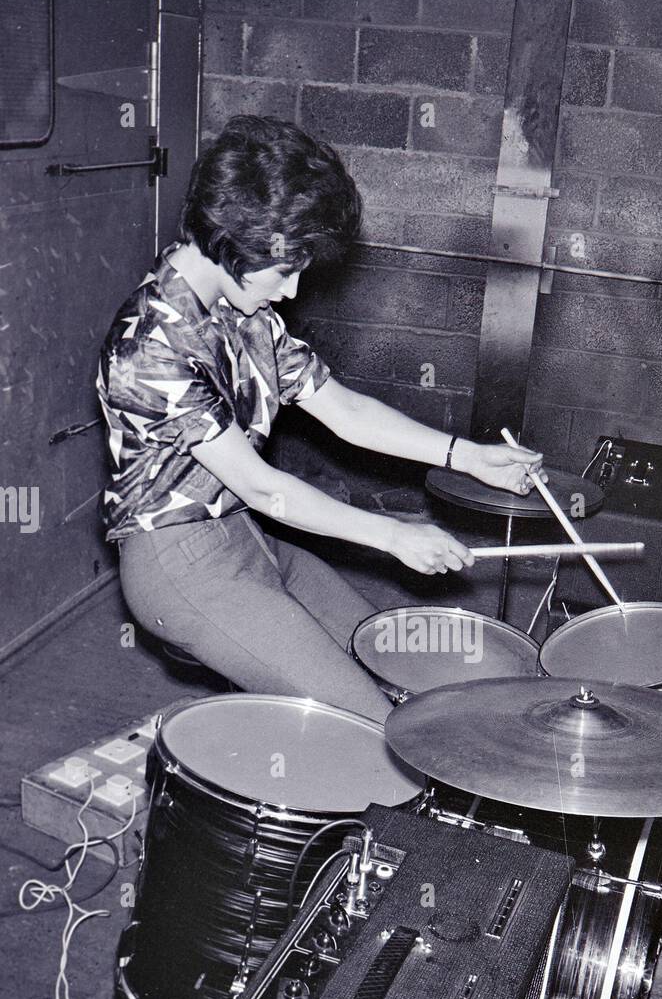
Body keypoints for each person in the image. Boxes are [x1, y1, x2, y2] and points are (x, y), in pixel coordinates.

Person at [96, 115, 542, 724]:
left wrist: (468, 456)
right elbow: (264, 487)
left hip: (243, 534)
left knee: (393, 656)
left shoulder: (238, 304)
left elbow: (344, 410)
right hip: (178, 565)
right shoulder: (150, 342)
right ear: (235, 241)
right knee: (372, 724)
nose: (291, 290)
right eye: (285, 269)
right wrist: (392, 536)